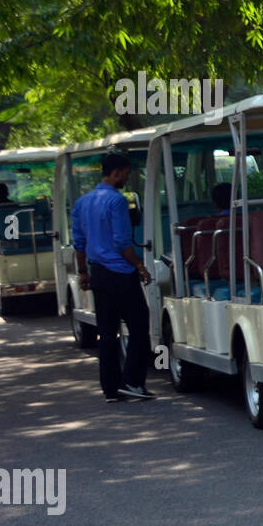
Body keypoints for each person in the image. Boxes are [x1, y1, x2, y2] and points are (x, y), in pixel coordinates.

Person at [72, 152, 155, 402]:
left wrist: (83, 272)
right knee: (140, 326)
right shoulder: (117, 201)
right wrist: (140, 266)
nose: (126, 179)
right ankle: (132, 381)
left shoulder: (82, 203)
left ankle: (110, 388)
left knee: (107, 334)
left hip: (98, 273)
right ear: (116, 172)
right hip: (121, 273)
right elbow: (121, 242)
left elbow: (79, 243)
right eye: (126, 175)